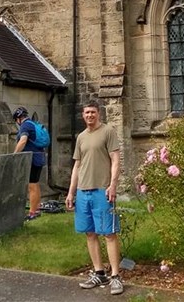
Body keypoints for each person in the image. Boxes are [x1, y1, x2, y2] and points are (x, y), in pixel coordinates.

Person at [65, 99, 123, 296]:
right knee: (89, 233)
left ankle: (116, 276)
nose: (89, 115)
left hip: (102, 190)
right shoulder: (81, 137)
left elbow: (115, 159)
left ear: (99, 113)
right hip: (83, 191)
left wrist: (113, 184)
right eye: (86, 112)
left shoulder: (108, 132)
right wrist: (71, 192)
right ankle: (99, 273)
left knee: (109, 233)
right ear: (83, 115)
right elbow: (77, 166)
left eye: (92, 112)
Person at [13, 106, 46, 220]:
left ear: (18, 118)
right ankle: (36, 209)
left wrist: (15, 154)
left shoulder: (25, 126)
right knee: (35, 184)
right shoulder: (33, 123)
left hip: (32, 159)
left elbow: (23, 141)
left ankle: (32, 213)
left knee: (31, 186)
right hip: (39, 157)